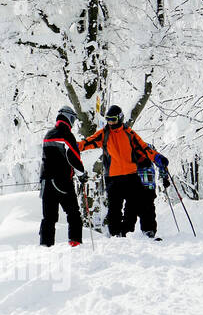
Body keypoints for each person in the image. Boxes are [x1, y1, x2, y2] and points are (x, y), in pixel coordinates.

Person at [80, 104, 170, 238]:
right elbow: (87, 143)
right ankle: (116, 234)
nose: (110, 122)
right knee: (114, 208)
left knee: (135, 205)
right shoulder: (104, 134)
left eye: (113, 119)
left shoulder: (129, 134)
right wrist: (74, 146)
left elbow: (145, 148)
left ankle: (135, 231)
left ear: (120, 118)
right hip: (113, 177)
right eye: (108, 119)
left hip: (131, 175)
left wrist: (157, 157)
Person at [40, 104, 87, 247]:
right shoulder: (66, 134)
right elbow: (73, 157)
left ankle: (45, 246)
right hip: (62, 181)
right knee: (73, 213)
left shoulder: (48, 134)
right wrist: (81, 174)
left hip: (46, 181)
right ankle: (75, 242)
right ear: (69, 118)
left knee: (49, 217)